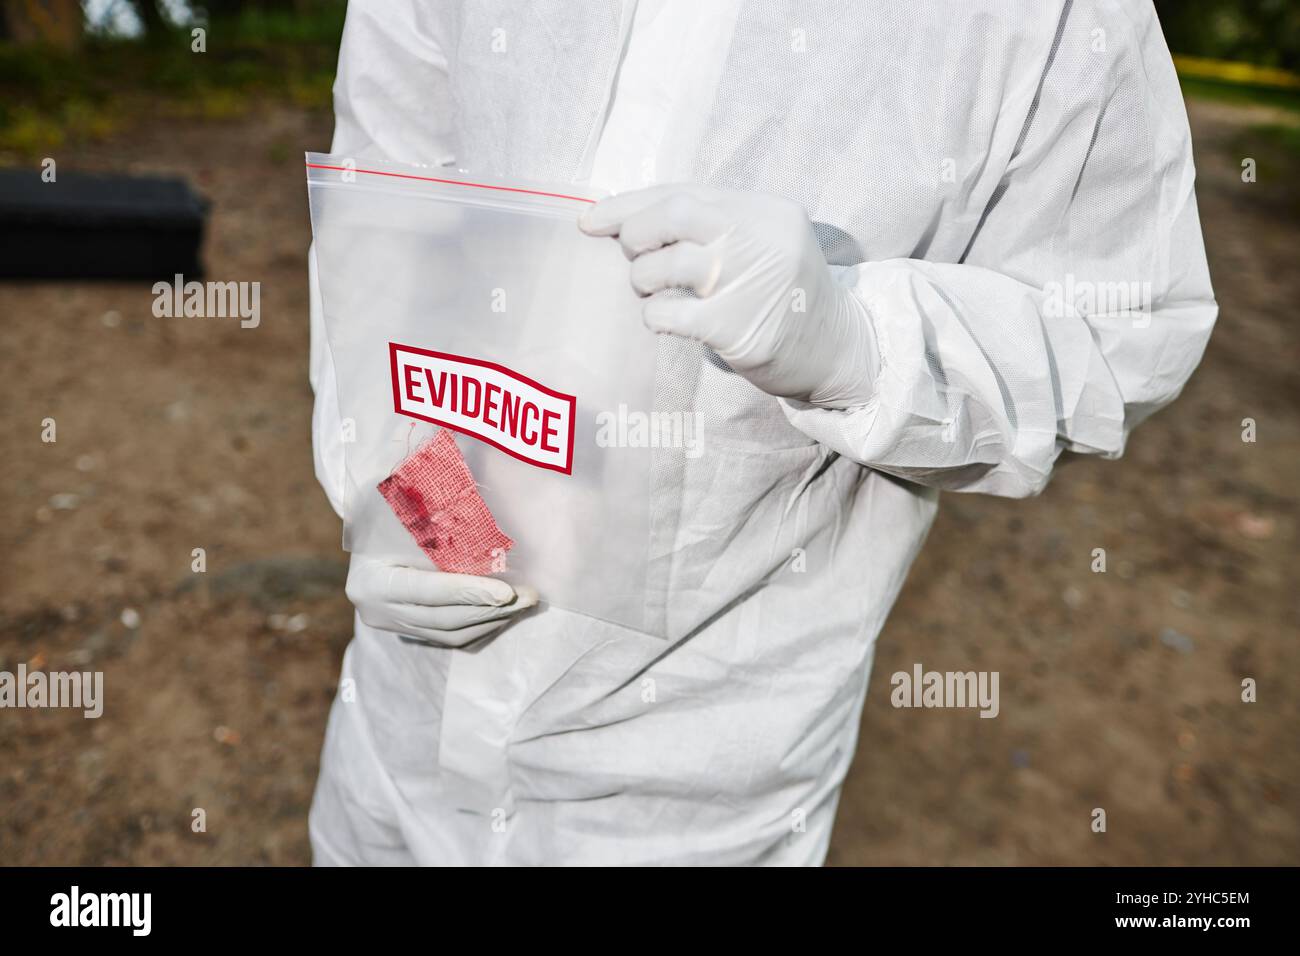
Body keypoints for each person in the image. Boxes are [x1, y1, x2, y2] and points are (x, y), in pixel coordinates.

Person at [307, 0, 1217, 865]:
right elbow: (385, 210)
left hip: (698, 785)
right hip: (396, 722)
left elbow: (1123, 326)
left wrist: (859, 341)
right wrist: (415, 499)